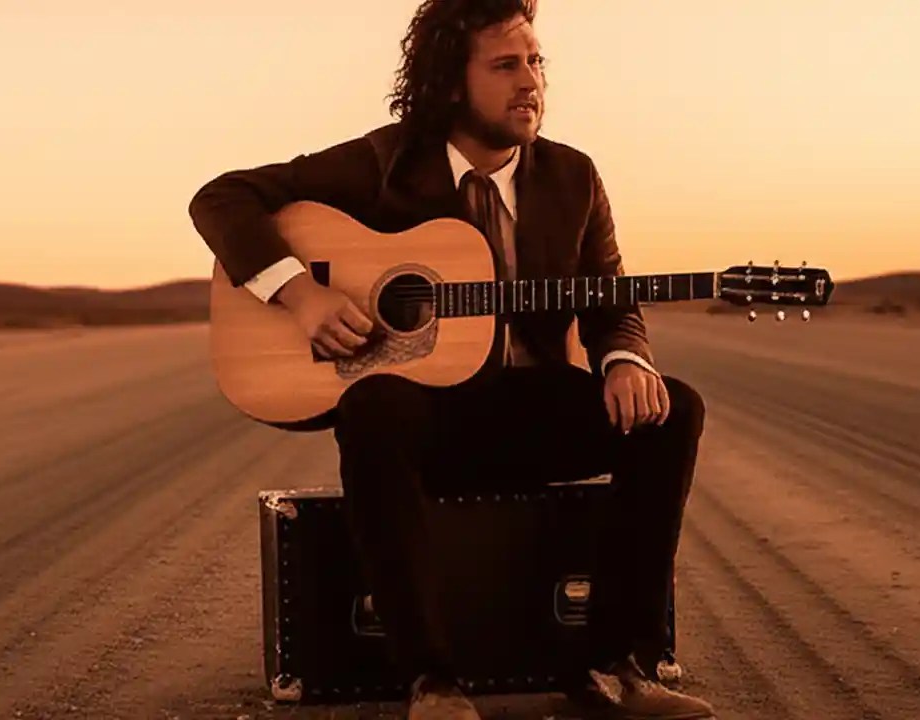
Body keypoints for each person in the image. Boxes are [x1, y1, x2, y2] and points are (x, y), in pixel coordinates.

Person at [188, 1, 715, 717]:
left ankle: (613, 666)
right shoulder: (383, 163)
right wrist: (299, 297)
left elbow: (609, 292)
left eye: (535, 62)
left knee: (672, 409)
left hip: (530, 411)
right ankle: (431, 682)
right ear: (448, 83)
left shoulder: (572, 177)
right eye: (505, 65)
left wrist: (625, 357)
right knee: (373, 404)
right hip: (427, 420)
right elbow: (221, 199)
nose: (530, 81)